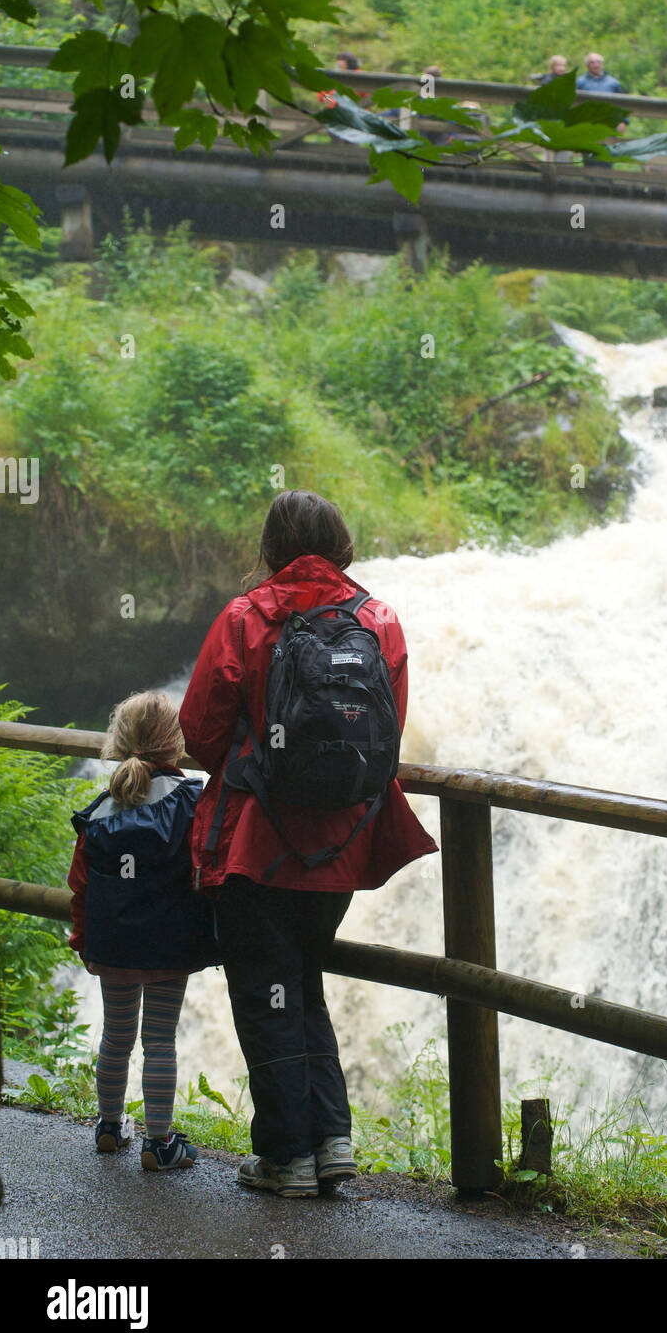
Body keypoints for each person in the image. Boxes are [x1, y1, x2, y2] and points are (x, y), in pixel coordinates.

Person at [179, 489, 438, 1198]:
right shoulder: (377, 619)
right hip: (344, 844)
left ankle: (286, 1156)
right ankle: (330, 1143)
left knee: (266, 995)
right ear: (342, 542)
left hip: (256, 842)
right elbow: (385, 732)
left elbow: (200, 728)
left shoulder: (246, 616)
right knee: (302, 985)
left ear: (270, 547)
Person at [68, 691, 219, 1171]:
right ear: (175, 744)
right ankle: (159, 1143)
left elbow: (81, 885)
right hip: (168, 944)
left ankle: (109, 1126)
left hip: (112, 943)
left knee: (116, 1035)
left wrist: (82, 939)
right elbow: (206, 867)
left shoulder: (99, 811)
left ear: (119, 742)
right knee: (159, 1039)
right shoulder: (191, 800)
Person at [576, 52, 628, 132]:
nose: (596, 65)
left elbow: (622, 104)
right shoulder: (579, 82)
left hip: (608, 124)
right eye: (592, 62)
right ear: (587, 66)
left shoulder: (613, 83)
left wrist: (623, 122)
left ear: (602, 64)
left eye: (598, 62)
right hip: (585, 124)